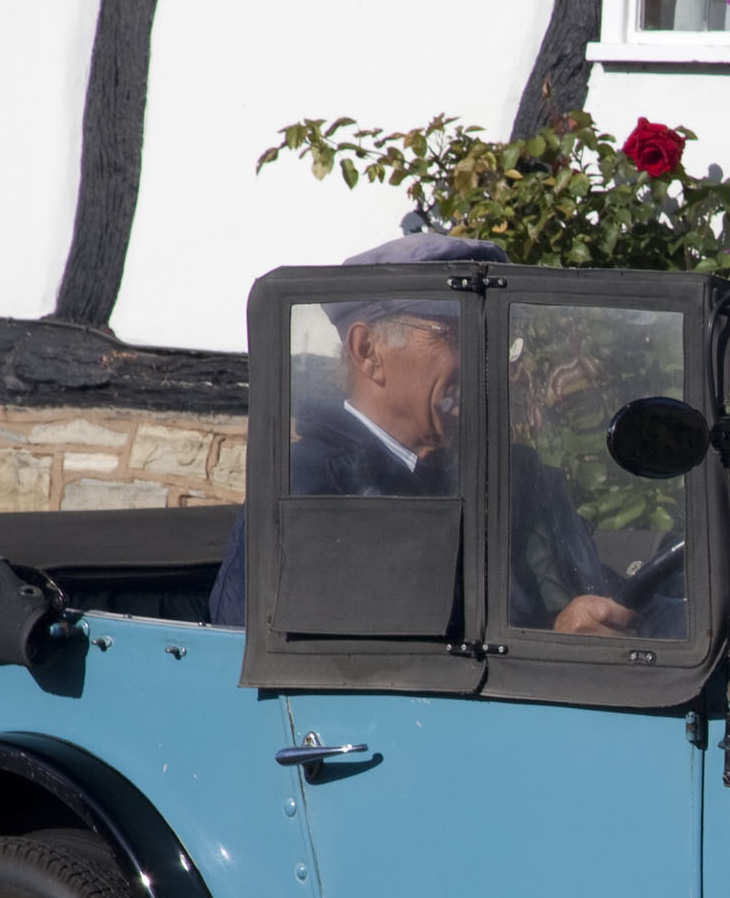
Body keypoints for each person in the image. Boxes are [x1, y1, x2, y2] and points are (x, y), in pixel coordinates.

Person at [208, 234, 662, 637]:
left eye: (492, 338)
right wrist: (552, 644)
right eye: (452, 333)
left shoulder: (509, 478)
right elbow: (270, 659)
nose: (484, 362)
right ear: (368, 352)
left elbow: (591, 597)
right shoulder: (306, 487)